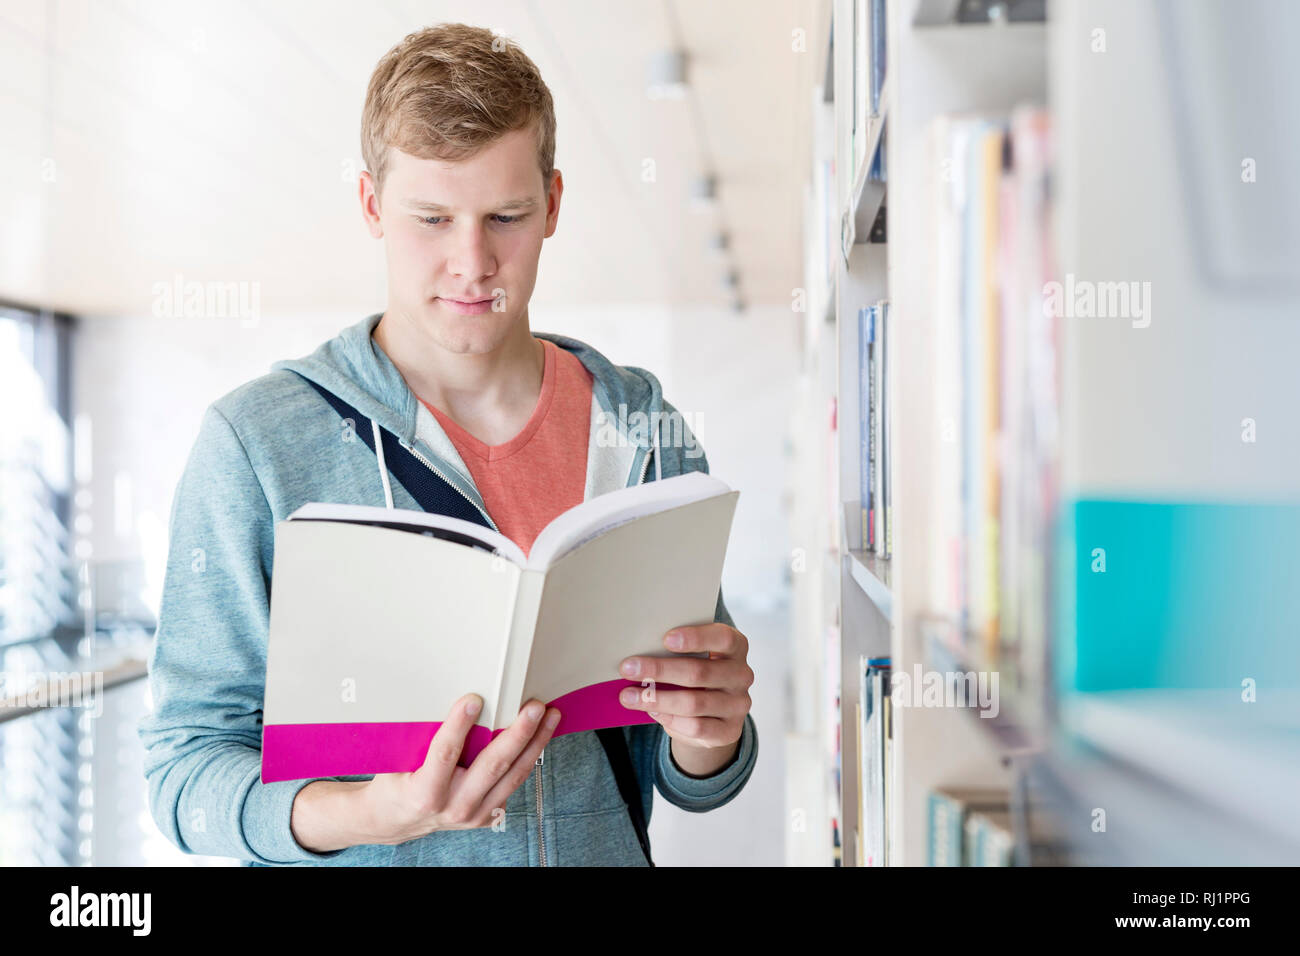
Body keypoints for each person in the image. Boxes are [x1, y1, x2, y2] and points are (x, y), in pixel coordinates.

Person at [138, 22, 757, 867]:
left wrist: (711, 734)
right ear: (370, 207)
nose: (472, 263)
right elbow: (184, 776)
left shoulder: (640, 428)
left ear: (554, 206)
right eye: (431, 218)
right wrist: (367, 813)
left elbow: (689, 767)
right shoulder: (255, 446)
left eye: (506, 216)